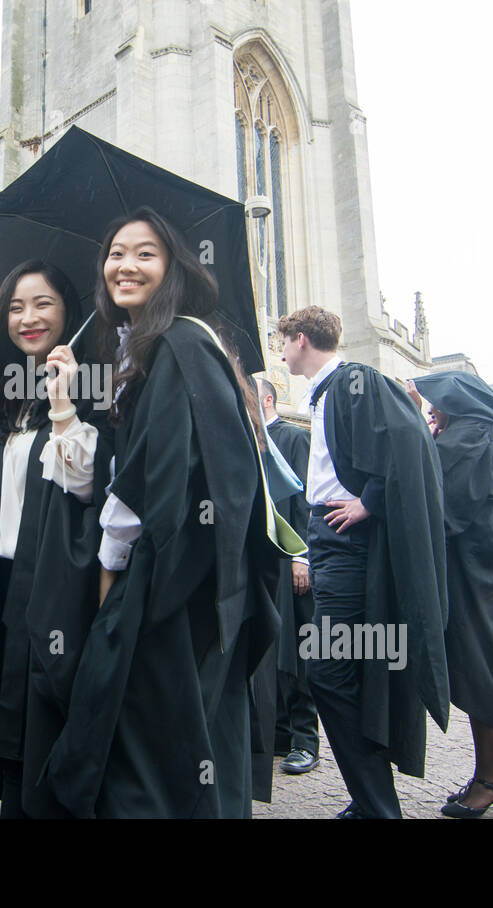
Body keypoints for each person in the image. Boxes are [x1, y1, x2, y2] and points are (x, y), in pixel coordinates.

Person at [41, 207, 304, 818]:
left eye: (145, 253)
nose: (124, 265)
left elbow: (155, 476)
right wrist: (65, 397)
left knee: (147, 751)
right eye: (115, 252)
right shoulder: (151, 351)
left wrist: (110, 572)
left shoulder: (182, 343)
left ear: (174, 268)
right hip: (181, 586)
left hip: (170, 590)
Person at [0, 260, 111, 818]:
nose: (27, 317)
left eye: (42, 304)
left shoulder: (94, 389)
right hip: (3, 578)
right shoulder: (14, 396)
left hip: (56, 585)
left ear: (68, 312)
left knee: (43, 721)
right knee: (9, 724)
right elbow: (2, 490)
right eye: (14, 306)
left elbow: (83, 485)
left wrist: (65, 404)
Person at [276, 306, 448, 819]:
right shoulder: (325, 393)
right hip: (327, 539)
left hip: (347, 542)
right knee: (349, 670)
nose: (280, 351)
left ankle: (378, 807)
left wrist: (369, 501)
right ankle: (369, 798)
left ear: (300, 339)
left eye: (282, 341)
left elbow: (408, 442)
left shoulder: (357, 381)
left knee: (328, 671)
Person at [412, 372, 493, 818]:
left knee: (483, 670)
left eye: (432, 405)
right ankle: (491, 773)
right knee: (482, 669)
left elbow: (445, 502)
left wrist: (423, 440)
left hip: (482, 575)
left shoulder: (472, 435)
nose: (429, 412)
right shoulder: (476, 432)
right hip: (484, 567)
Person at [252, 377, 320, 778]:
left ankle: (305, 738)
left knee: (297, 650)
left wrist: (302, 557)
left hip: (290, 556)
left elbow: (304, 500)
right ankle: (277, 732)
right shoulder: (251, 441)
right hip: (263, 557)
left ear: (268, 399)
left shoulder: (293, 437)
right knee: (270, 646)